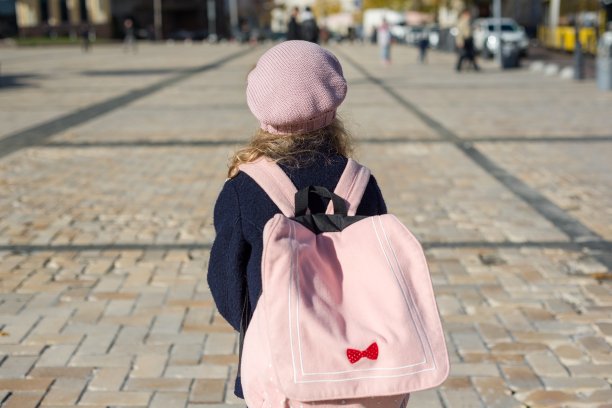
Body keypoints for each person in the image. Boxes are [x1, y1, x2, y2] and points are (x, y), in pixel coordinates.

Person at [207, 40, 388, 401]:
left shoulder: (244, 190)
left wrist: (259, 328)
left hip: (279, 370)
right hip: (355, 367)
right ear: (332, 102)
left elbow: (226, 285)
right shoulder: (360, 181)